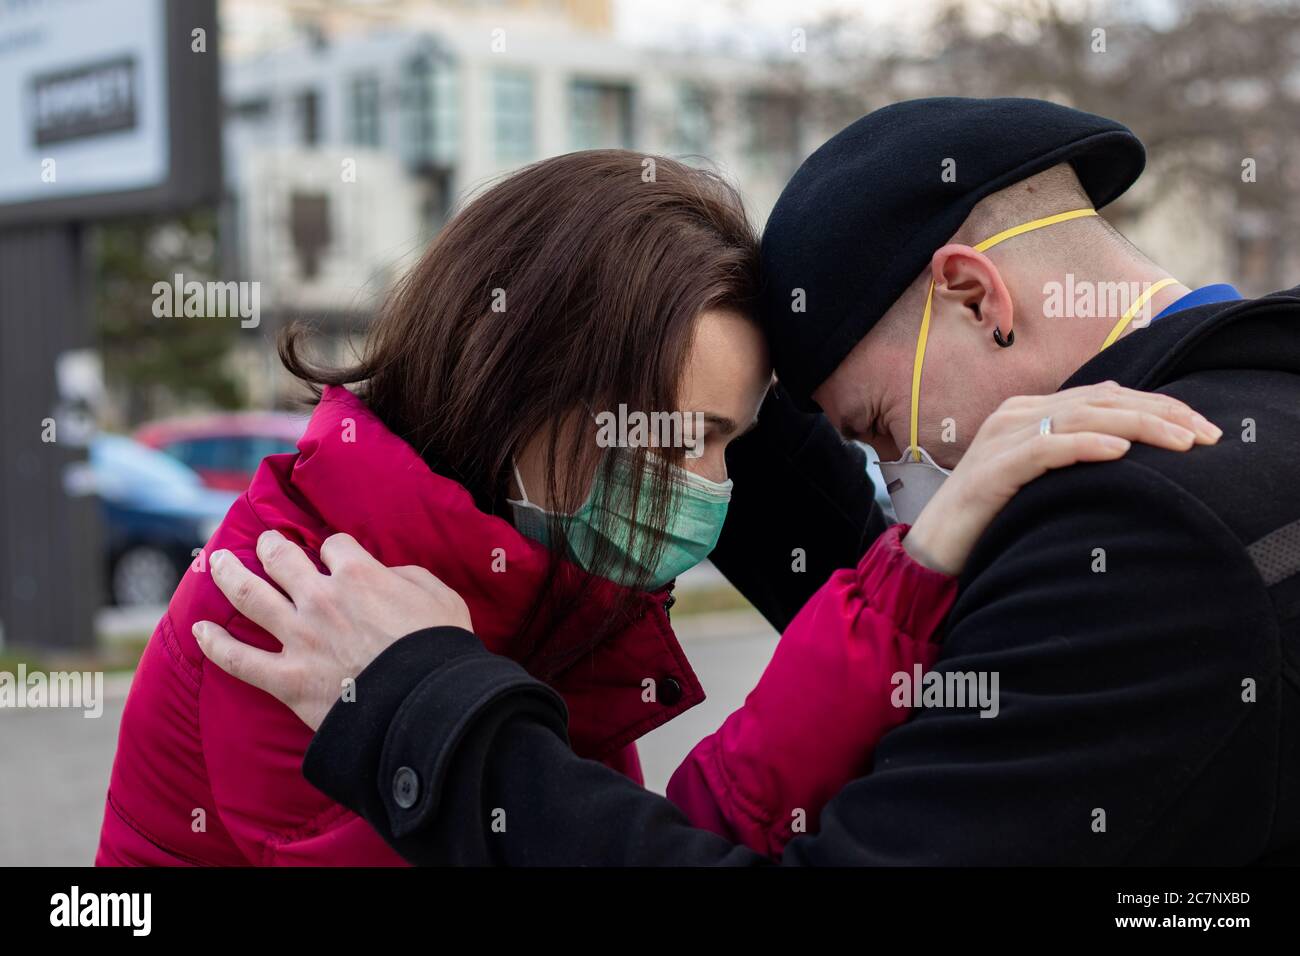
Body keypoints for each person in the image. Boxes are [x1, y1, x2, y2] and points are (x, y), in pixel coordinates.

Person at [201, 98, 1300, 865]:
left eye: (874, 428)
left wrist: (425, 712)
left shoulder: (1149, 530)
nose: (906, 471)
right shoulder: (1253, 418)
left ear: (978, 299)